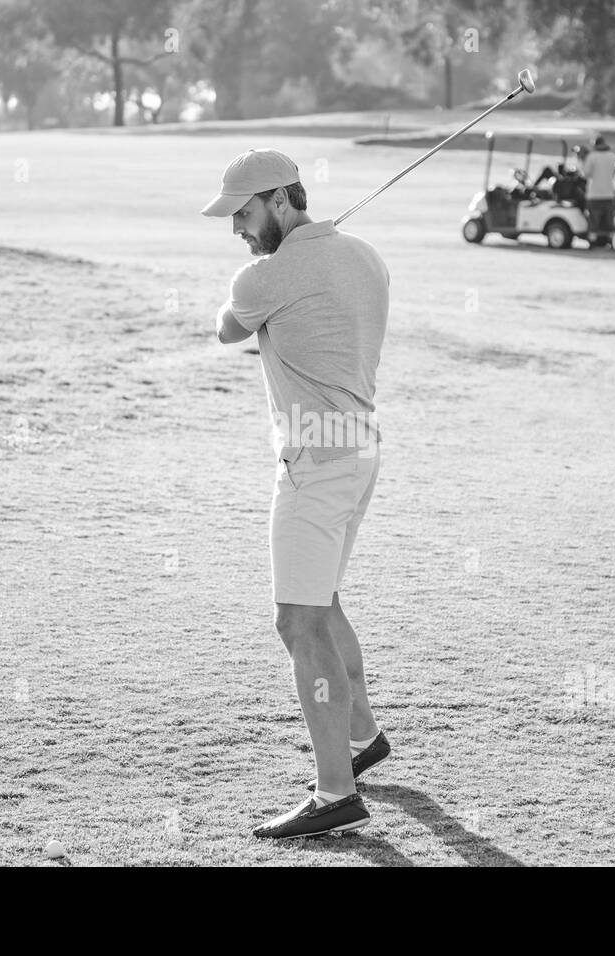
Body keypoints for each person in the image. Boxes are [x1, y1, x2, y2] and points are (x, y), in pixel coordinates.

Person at [203, 148, 391, 840]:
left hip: (314, 464)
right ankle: (362, 737)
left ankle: (334, 792)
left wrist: (262, 276)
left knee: (298, 623)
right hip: (361, 453)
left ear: (281, 201)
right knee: (324, 601)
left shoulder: (263, 277)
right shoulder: (365, 256)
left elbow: (227, 329)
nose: (237, 230)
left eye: (245, 214)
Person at [582, 135, 615, 249]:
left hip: (594, 194)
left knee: (594, 220)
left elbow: (587, 174)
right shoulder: (613, 156)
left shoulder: (592, 157)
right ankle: (611, 243)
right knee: (609, 220)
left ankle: (592, 243)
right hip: (609, 193)